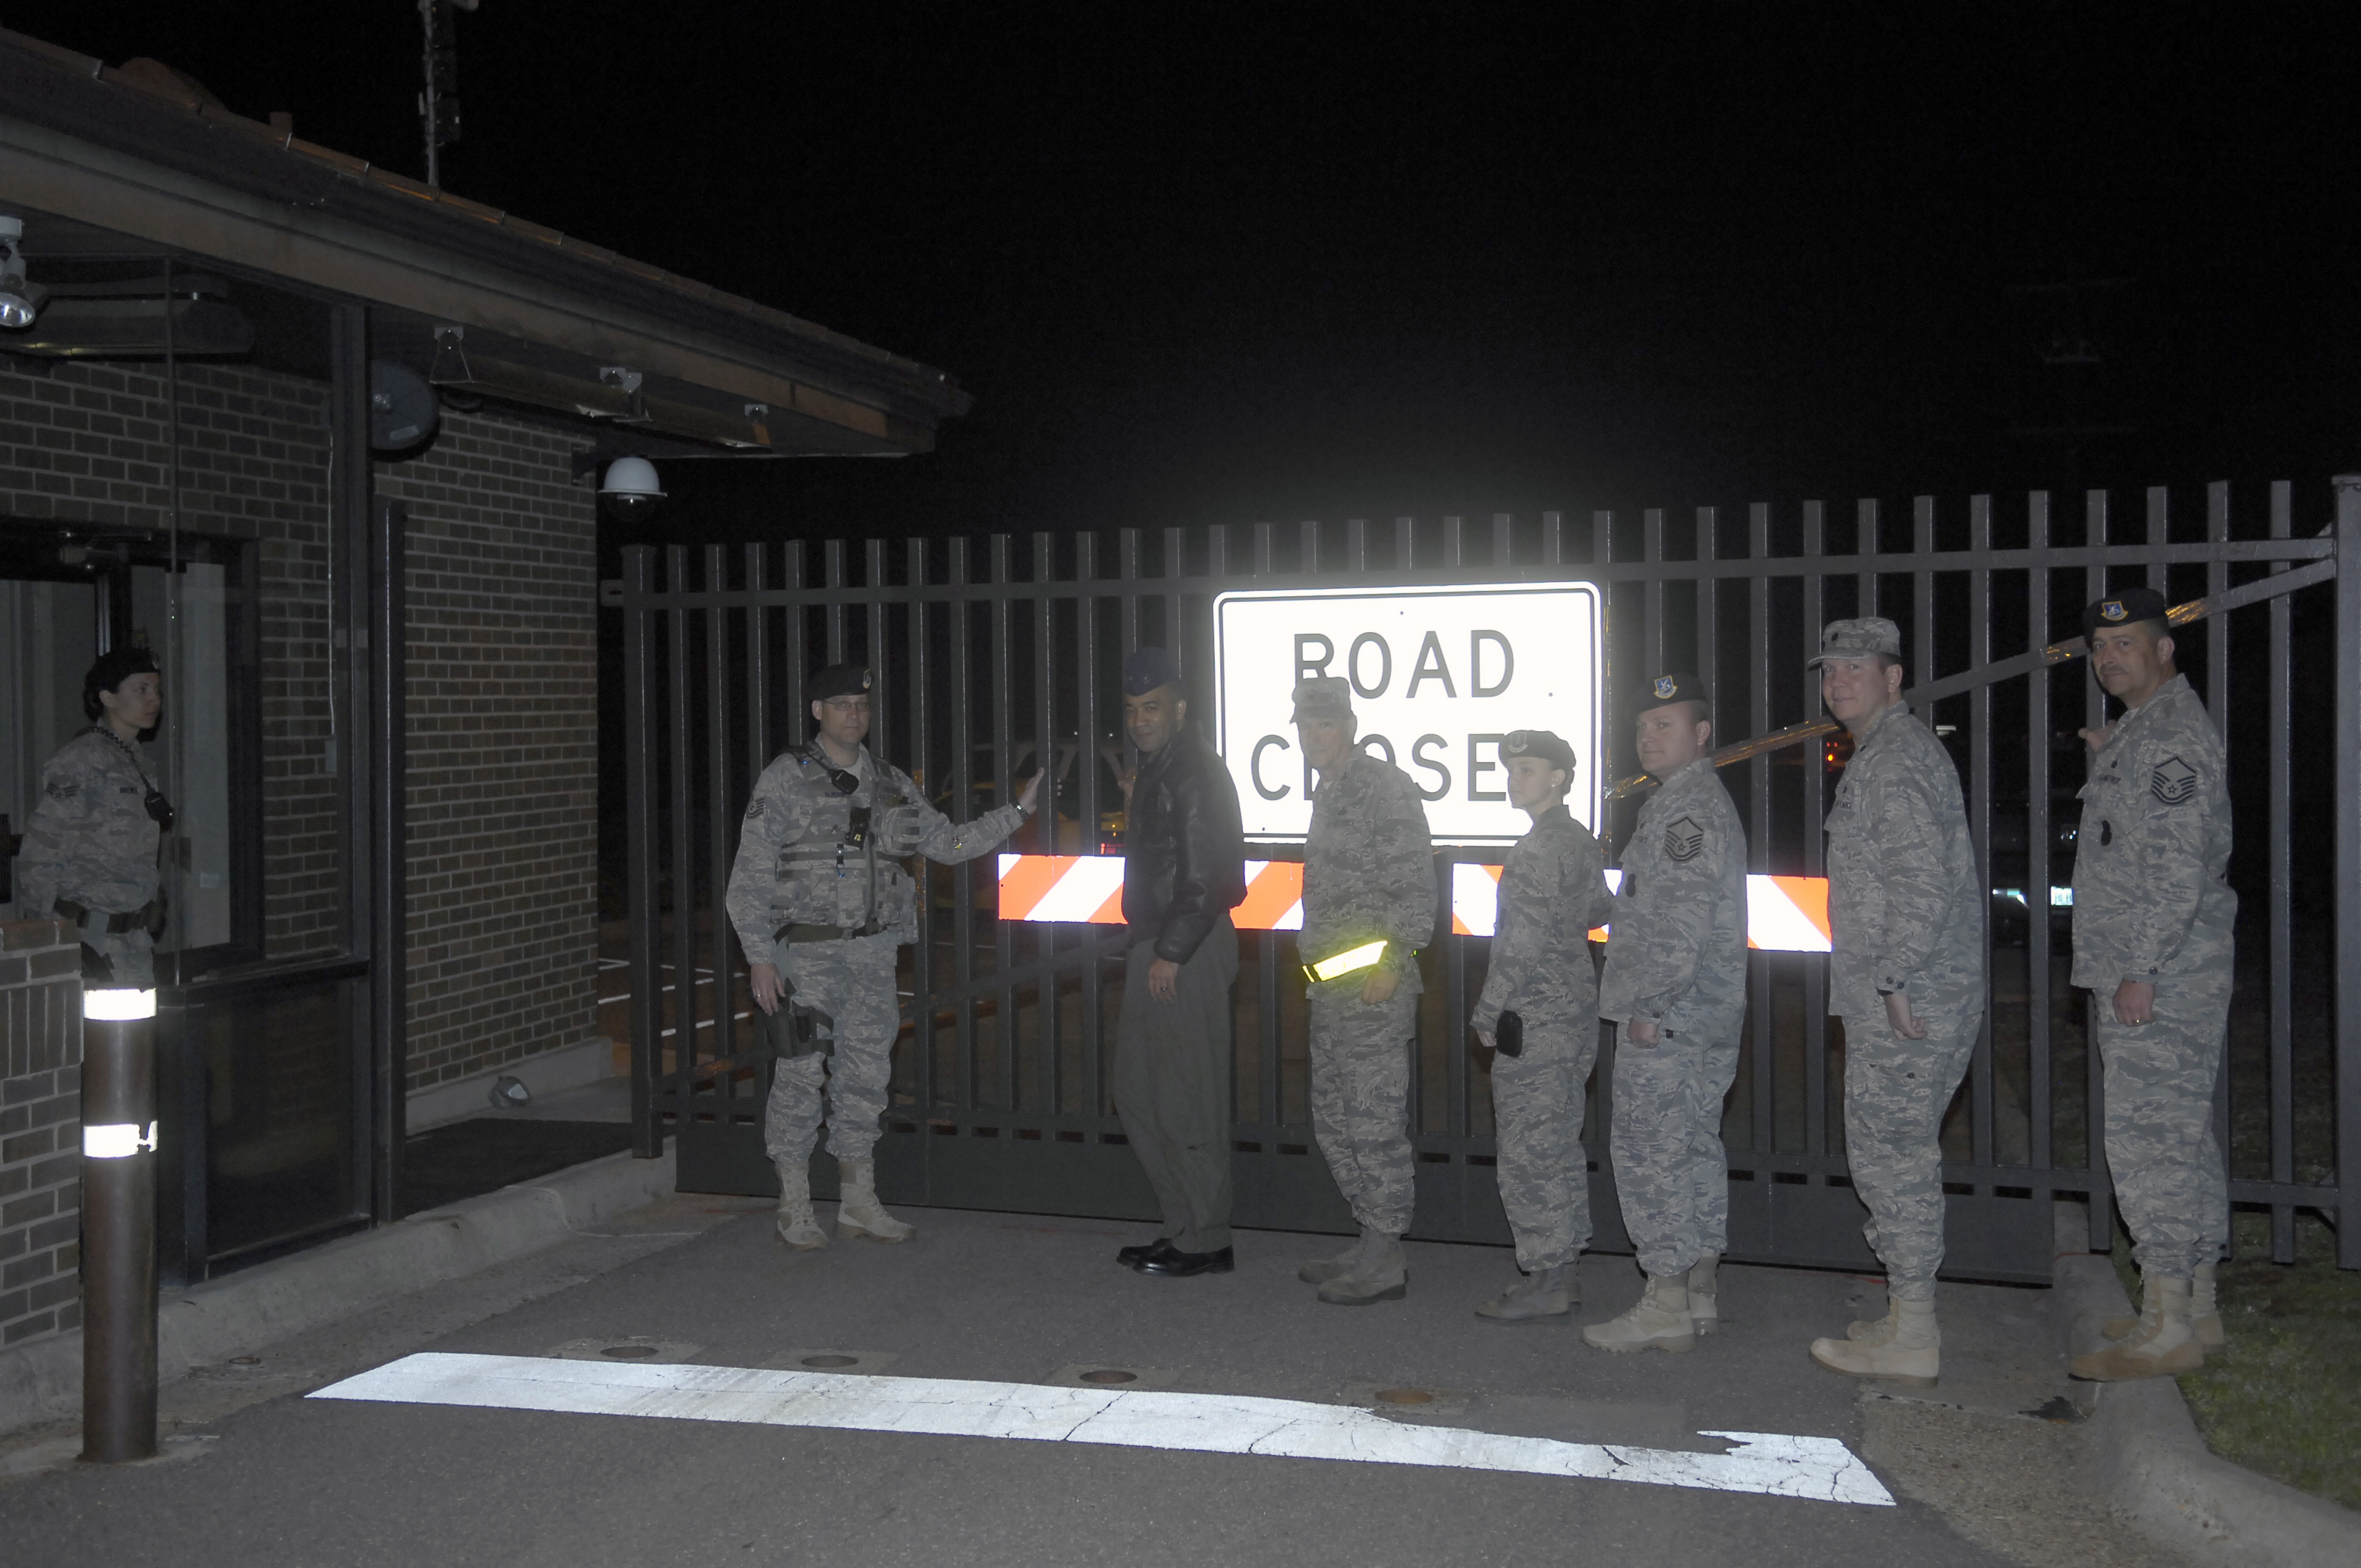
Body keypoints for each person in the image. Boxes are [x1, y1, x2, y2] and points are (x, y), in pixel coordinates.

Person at [724, 661, 1040, 1249]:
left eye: (862, 706)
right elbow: (750, 874)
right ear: (818, 711)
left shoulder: (892, 782)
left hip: (873, 955)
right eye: (842, 704)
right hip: (805, 956)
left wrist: (1016, 813)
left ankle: (857, 1201)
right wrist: (759, 956)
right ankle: (794, 1202)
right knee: (799, 1075)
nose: (855, 714)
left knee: (866, 1079)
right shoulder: (785, 779)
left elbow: (948, 844)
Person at [1805, 617, 1985, 1387]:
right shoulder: (1881, 755)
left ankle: (1914, 1335)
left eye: (1856, 668)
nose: (1839, 681)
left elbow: (1921, 883)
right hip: (1898, 991)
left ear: (1893, 677)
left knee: (1894, 1160)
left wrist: (1899, 979)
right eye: (1831, 671)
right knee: (1889, 1154)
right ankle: (1905, 1317)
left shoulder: (1899, 761)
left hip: (1909, 996)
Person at [2064, 588, 2235, 1382]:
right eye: (2101, 646)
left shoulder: (2170, 741)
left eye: (2127, 642)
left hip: (2160, 974)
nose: (2110, 656)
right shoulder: (2147, 733)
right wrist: (2110, 759)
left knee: (2151, 1143)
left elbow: (2177, 870)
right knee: (2181, 1138)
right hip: (2167, 968)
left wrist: (2141, 968)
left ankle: (2165, 1322)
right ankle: (2193, 1307)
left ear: (2166, 650)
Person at [1586, 674, 1748, 1353]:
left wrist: (1650, 1008)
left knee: (1653, 1153)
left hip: (1672, 1019)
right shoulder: (1686, 804)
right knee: (1691, 1148)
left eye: (1667, 724)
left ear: (1702, 733)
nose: (1649, 738)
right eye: (1643, 726)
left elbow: (1679, 926)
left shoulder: (1686, 813)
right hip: (1700, 1017)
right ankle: (1699, 1289)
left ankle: (1665, 1303)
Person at [1289, 676, 1437, 1306]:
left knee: (1374, 1123)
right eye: (1304, 725)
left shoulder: (1384, 787)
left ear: (1348, 725)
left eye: (1324, 724)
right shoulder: (1328, 793)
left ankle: (1386, 1253)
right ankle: (1369, 1235)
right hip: (1332, 991)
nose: (1312, 736)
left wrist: (1396, 959)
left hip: (1374, 989)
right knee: (1336, 1120)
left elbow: (1413, 881)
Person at [1466, 729, 1615, 1324]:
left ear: (1557, 778)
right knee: (1556, 1144)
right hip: (1573, 1011)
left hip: (1534, 1016)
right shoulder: (1577, 840)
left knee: (1530, 1152)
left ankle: (1548, 1278)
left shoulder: (1536, 850)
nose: (1515, 778)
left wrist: (1486, 1011)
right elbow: (1602, 909)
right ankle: (1562, 1272)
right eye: (1513, 769)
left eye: (1528, 769)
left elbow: (1519, 945)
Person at [1109, 647, 1248, 1278]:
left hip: (1183, 947)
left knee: (1186, 1095)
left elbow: (1208, 875)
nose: (1141, 719)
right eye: (1133, 709)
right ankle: (1182, 1223)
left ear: (1180, 708)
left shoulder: (1194, 770)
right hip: (1160, 945)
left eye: (1153, 707)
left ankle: (1206, 1237)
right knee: (1140, 1091)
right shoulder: (1164, 768)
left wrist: (1171, 951)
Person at [15, 647, 173, 988]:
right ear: (108, 698)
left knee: (136, 1038)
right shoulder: (82, 760)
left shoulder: (137, 760)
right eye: (141, 690)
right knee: (93, 1039)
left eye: (157, 690)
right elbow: (39, 855)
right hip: (91, 942)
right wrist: (51, 940)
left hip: (133, 940)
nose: (154, 699)